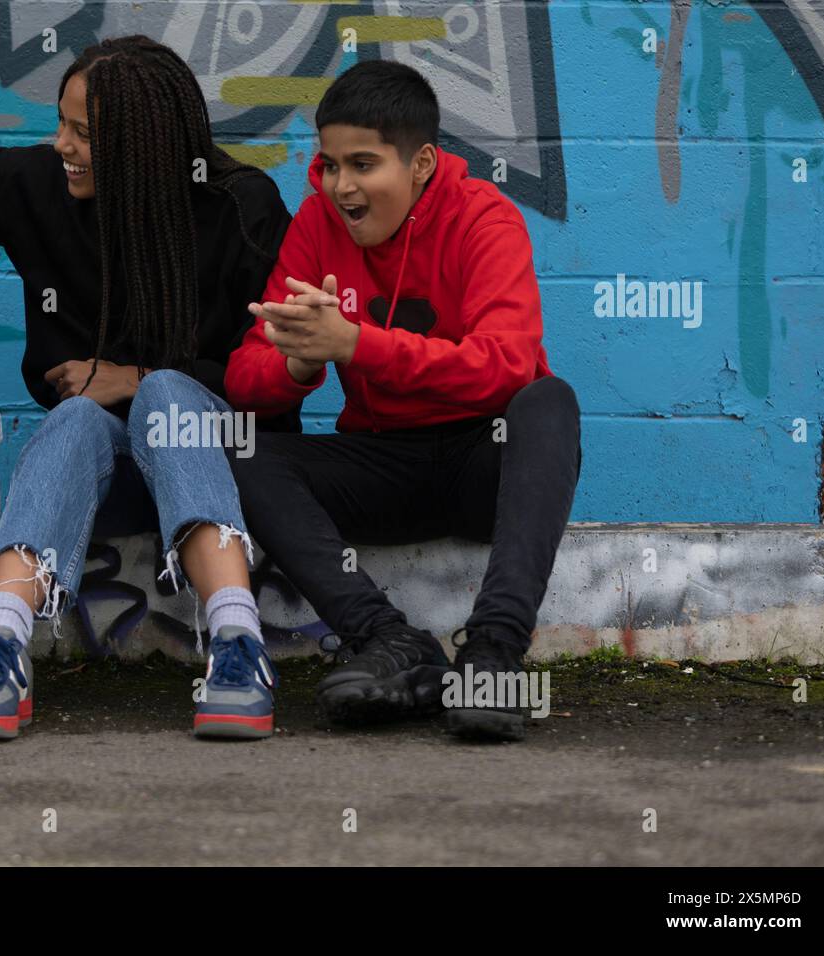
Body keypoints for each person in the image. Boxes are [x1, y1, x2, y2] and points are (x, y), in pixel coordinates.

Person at [0, 35, 297, 742]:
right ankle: (0, 646)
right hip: (100, 480)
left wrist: (138, 380)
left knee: (167, 396)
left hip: (212, 472)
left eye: (82, 133)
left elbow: (269, 382)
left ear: (146, 144)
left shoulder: (240, 207)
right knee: (78, 418)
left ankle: (238, 645)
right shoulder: (44, 189)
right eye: (61, 123)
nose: (61, 145)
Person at [225, 60, 582, 742]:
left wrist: (358, 346)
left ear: (421, 162)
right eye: (329, 165)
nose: (342, 186)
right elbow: (246, 374)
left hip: (486, 460)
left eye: (363, 164)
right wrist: (300, 360)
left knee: (548, 399)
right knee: (239, 449)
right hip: (385, 464)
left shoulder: (485, 218)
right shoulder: (315, 226)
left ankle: (494, 653)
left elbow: (506, 365)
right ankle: (391, 642)